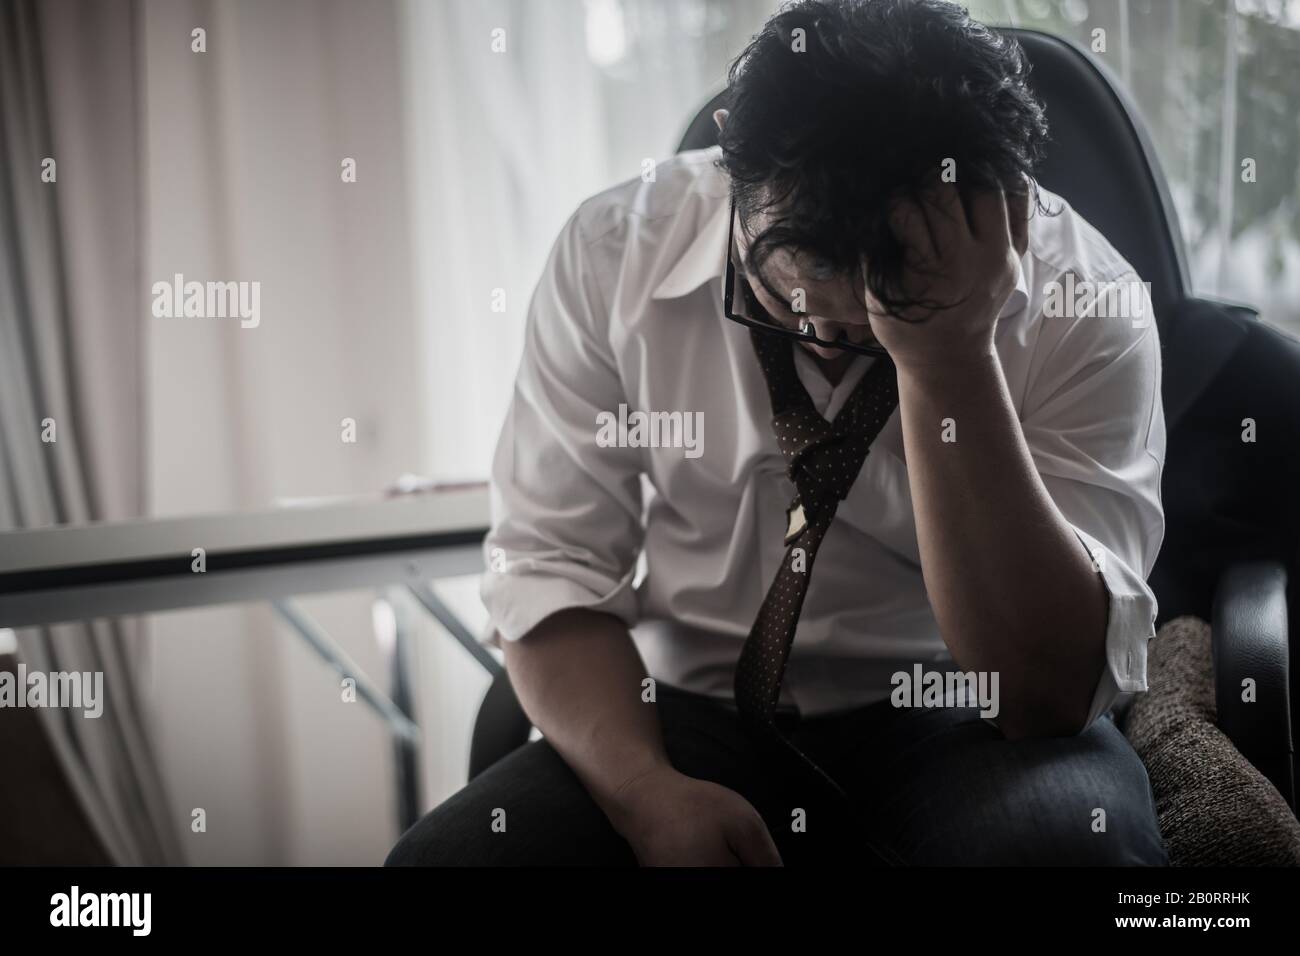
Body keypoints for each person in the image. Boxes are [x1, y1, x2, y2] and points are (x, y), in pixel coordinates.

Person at [387, 0, 1167, 867]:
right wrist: (648, 798)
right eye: (785, 300)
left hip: (959, 708)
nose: (832, 345)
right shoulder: (610, 254)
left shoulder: (1086, 300)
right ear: (733, 159)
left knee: (1065, 854)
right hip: (685, 708)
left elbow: (1042, 693)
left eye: (876, 321)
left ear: (1006, 208)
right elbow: (549, 572)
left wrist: (948, 355)